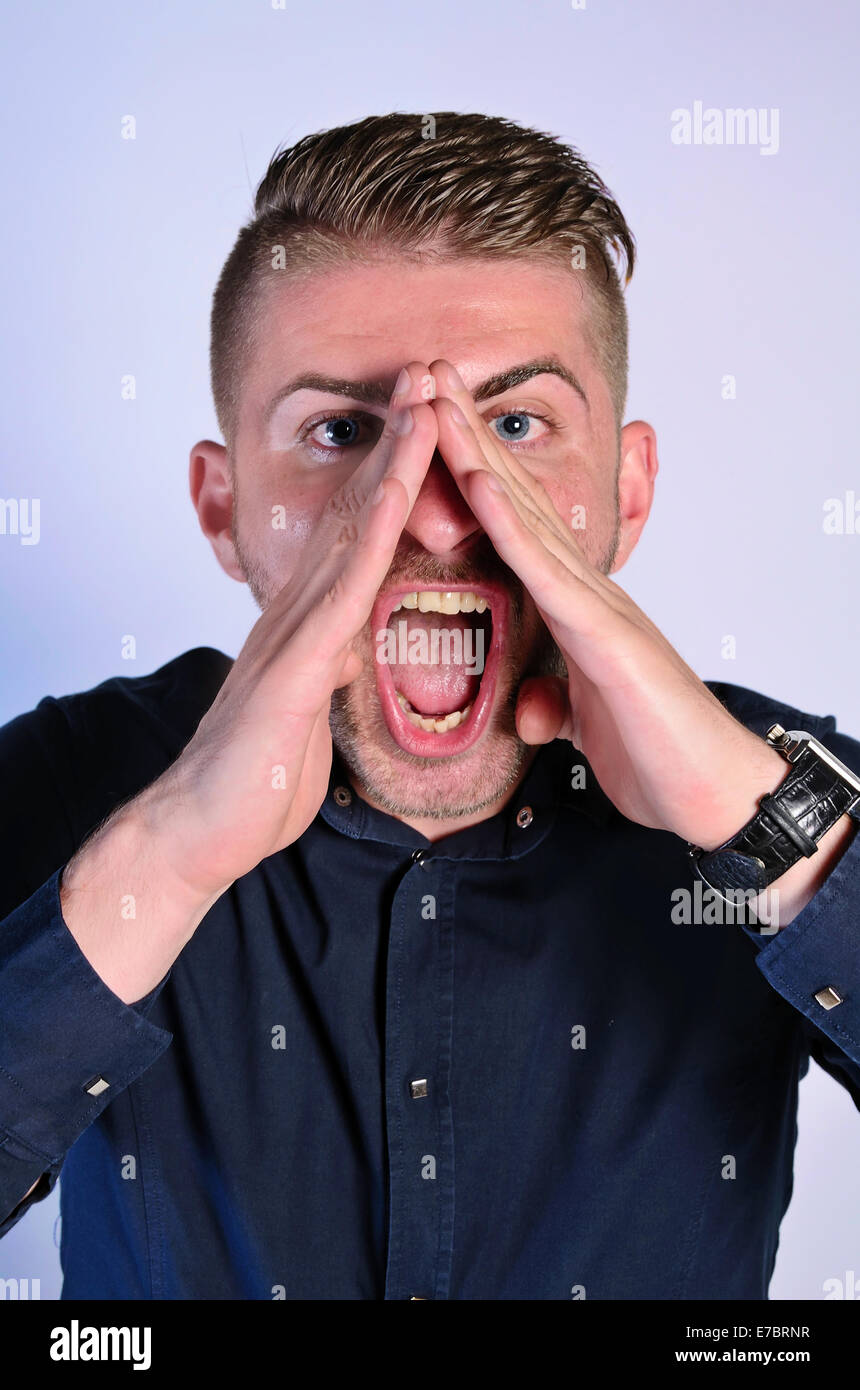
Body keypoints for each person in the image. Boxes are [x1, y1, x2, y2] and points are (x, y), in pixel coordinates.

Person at [2, 112, 858, 1301]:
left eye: (512, 427)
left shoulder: (768, 781)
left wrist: (759, 830)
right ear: (222, 505)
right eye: (344, 431)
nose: (434, 508)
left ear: (625, 487)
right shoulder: (75, 776)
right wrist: (170, 853)